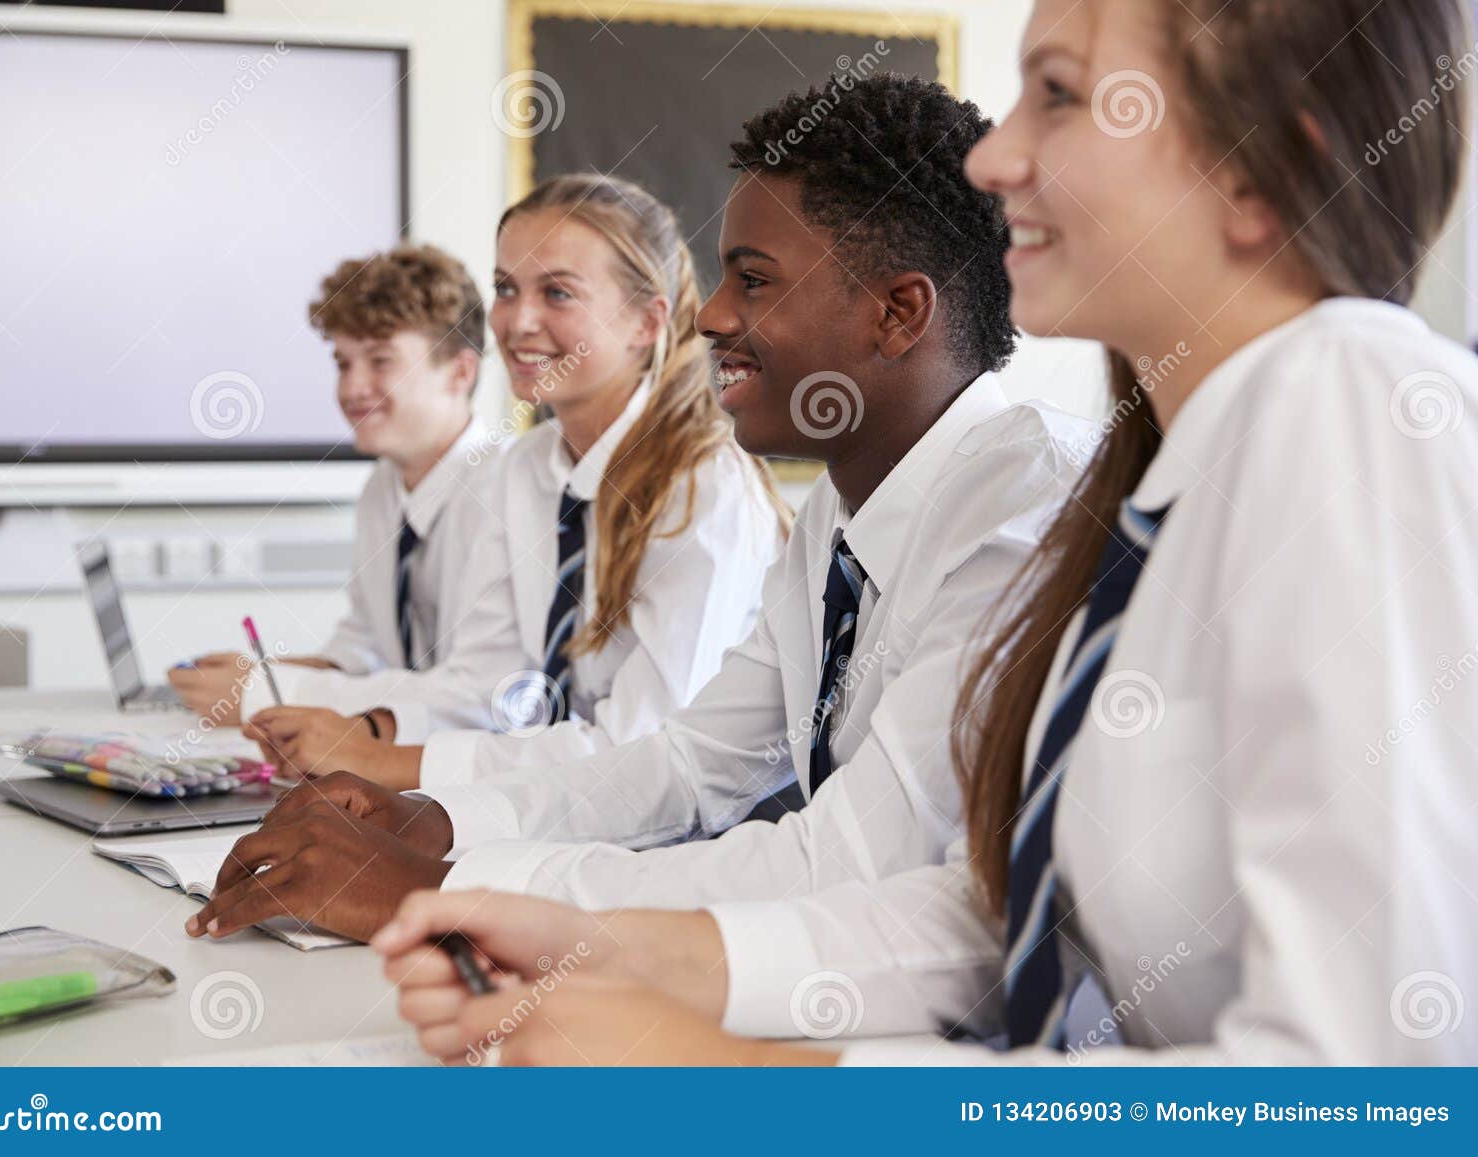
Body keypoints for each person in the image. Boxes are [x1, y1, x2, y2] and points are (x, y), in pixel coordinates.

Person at [375, 0, 1478, 1066]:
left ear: (1253, 170)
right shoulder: (1153, 492)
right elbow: (1004, 914)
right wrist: (603, 941)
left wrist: (741, 1075)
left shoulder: (1351, 394)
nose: (996, 160)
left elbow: (1368, 1086)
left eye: (1058, 95)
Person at [186, 73, 1095, 941]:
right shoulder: (839, 514)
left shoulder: (1024, 512)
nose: (713, 317)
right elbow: (688, 762)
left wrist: (442, 891)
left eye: (755, 279)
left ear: (897, 314)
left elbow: (850, 862)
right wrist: (434, 819)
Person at [234, 175, 787, 786]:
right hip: (546, 804)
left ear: (646, 322)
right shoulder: (523, 469)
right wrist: (361, 734)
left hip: (678, 835)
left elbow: (643, 753)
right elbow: (485, 687)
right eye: (505, 288)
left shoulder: (702, 489)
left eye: (557, 293)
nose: (519, 321)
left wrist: (381, 760)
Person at [167, 245, 497, 724]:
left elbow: (474, 696)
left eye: (380, 361)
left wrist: (273, 692)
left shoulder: (503, 493)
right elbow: (367, 647)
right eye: (343, 364)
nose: (351, 388)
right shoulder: (382, 489)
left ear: (460, 372)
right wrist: (262, 674)